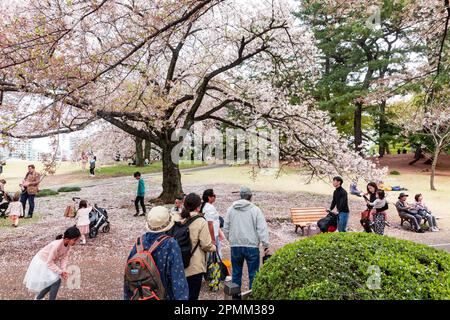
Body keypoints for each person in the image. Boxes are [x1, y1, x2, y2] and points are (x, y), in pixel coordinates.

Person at [124, 206, 189, 300]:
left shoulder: (139, 242)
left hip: (141, 296)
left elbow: (128, 275)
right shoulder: (170, 244)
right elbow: (178, 279)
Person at [223, 187, 269, 291]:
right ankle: (252, 296)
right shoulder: (255, 210)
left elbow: (225, 228)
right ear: (250, 196)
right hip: (252, 246)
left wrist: (231, 239)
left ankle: (235, 297)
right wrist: (265, 245)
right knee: (253, 274)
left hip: (235, 246)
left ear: (240, 196)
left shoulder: (231, 209)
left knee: (236, 274)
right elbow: (262, 228)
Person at [23, 226, 80, 300]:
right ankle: (39, 297)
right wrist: (60, 272)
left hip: (48, 262)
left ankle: (39, 297)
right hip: (41, 261)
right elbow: (49, 263)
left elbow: (64, 257)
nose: (76, 242)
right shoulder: (56, 245)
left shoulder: (68, 245)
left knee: (53, 281)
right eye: (75, 240)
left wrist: (63, 269)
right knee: (56, 281)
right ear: (67, 239)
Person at [181, 193, 216, 300]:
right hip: (194, 265)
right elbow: (206, 245)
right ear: (198, 206)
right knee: (193, 295)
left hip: (179, 263)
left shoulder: (179, 219)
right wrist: (214, 247)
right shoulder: (200, 221)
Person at [201, 189, 225, 258]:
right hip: (212, 235)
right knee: (215, 255)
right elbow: (210, 224)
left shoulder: (206, 206)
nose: (215, 197)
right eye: (214, 195)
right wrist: (213, 239)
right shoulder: (209, 208)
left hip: (213, 234)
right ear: (209, 197)